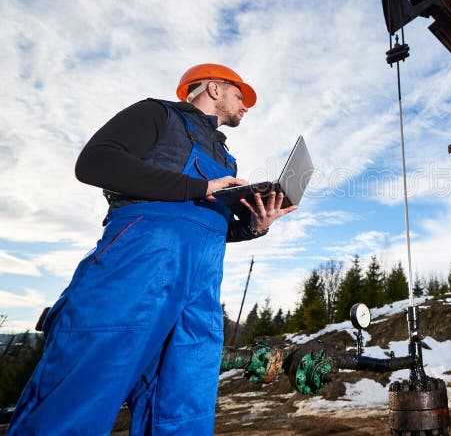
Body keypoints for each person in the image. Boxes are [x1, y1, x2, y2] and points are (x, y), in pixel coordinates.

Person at [9, 64, 297, 435]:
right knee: (78, 398)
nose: (246, 106)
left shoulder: (227, 160)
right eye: (240, 95)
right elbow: (95, 162)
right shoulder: (157, 114)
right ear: (214, 88)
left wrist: (255, 227)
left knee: (183, 411)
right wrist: (199, 188)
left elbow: (209, 225)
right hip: (136, 270)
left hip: (200, 290)